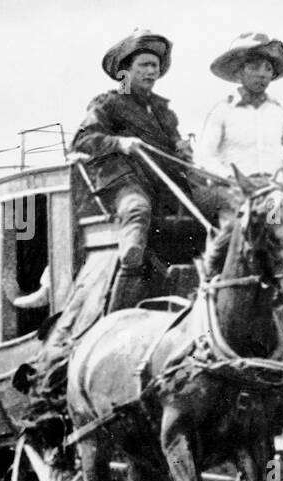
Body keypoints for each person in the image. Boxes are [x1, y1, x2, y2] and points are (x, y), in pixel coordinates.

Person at [71, 29, 200, 311]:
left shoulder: (164, 111)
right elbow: (83, 140)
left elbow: (173, 148)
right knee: (137, 210)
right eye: (144, 65)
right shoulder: (107, 104)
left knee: (218, 206)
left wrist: (181, 150)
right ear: (125, 72)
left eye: (154, 66)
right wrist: (119, 142)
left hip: (165, 186)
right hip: (125, 182)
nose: (151, 71)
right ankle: (118, 311)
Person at [197, 33, 283, 275]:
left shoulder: (282, 115)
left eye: (268, 68)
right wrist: (230, 177)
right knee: (240, 230)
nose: (262, 73)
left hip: (274, 189)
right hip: (236, 190)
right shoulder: (222, 112)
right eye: (255, 66)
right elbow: (205, 157)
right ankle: (213, 276)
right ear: (239, 71)